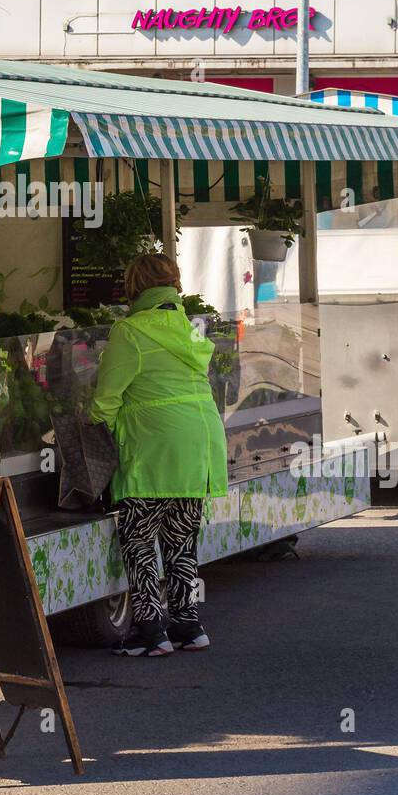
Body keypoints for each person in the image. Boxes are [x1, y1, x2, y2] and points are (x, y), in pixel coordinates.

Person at [90, 253, 228, 656]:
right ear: (174, 284)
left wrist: (100, 432)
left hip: (154, 446)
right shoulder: (190, 329)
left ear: (134, 287)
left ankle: (150, 629)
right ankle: (188, 625)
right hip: (199, 440)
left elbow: (105, 401)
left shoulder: (129, 332)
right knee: (181, 538)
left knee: (138, 538)